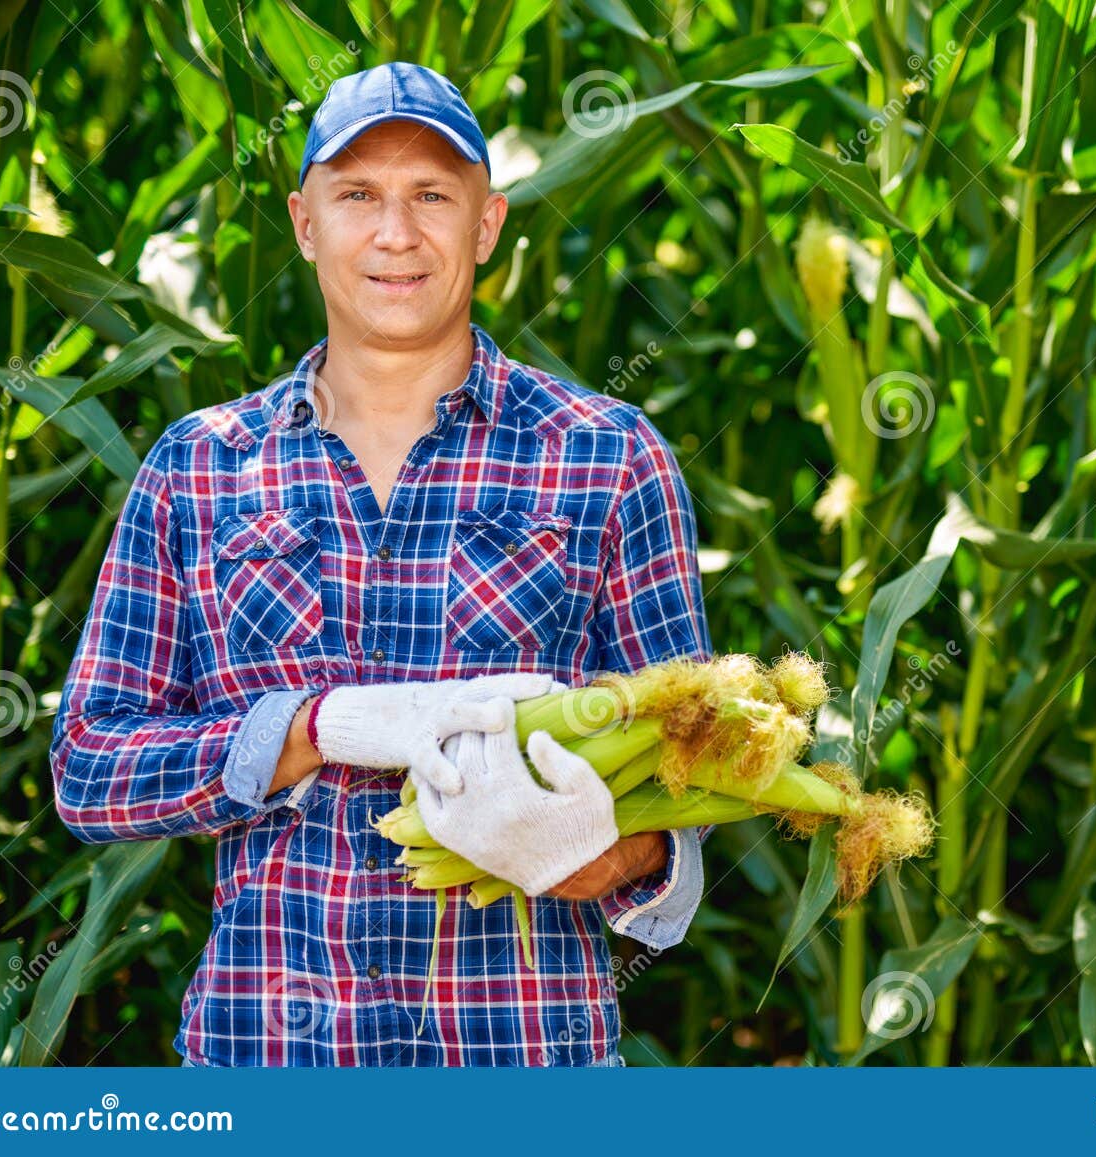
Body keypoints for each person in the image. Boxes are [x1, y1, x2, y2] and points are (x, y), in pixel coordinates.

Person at [49, 61, 712, 1066]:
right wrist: (309, 728)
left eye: (431, 197)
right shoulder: (199, 467)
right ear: (305, 223)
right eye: (357, 195)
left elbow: (691, 788)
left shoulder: (609, 458)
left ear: (485, 226)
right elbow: (90, 767)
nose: (395, 233)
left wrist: (591, 853)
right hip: (264, 1059)